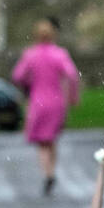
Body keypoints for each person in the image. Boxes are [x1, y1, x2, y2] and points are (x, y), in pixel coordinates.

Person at [11, 17, 80, 195]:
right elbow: (72, 75)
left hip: (38, 102)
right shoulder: (59, 54)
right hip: (57, 102)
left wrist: (29, 80)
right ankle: (52, 171)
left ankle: (48, 174)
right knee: (51, 139)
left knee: (42, 143)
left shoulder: (30, 54)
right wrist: (73, 95)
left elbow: (17, 75)